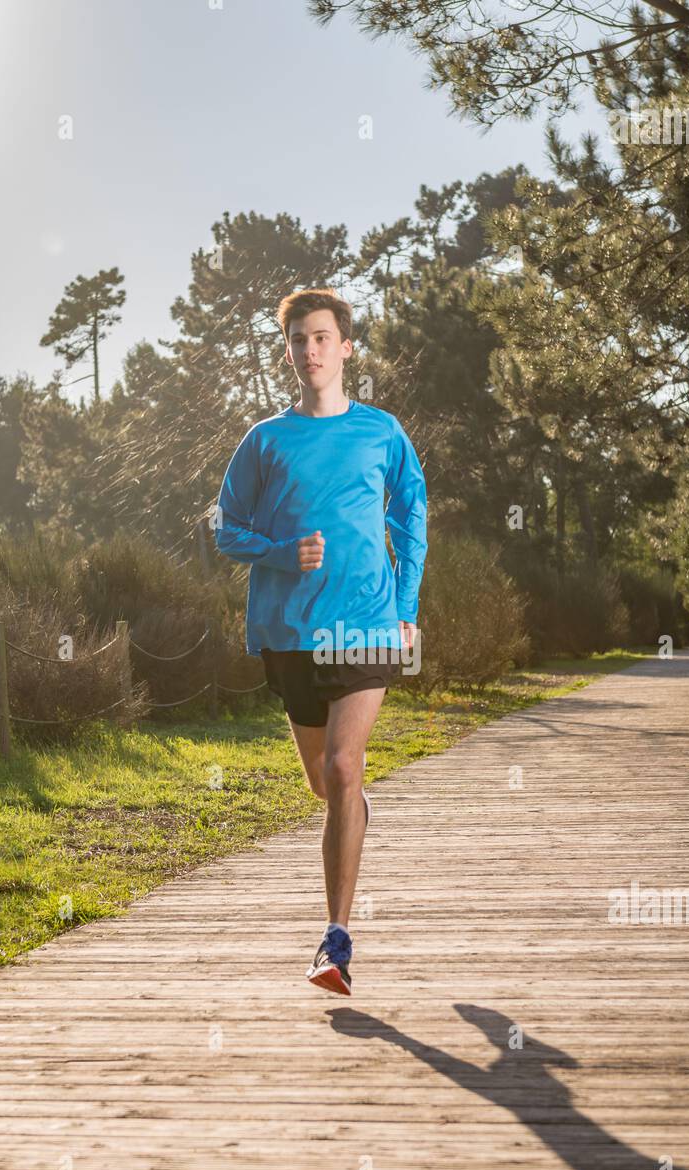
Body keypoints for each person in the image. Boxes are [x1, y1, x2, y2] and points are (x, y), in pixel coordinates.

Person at [213, 287, 428, 996]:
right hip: (291, 632)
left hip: (364, 626)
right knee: (325, 784)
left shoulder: (381, 432)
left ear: (345, 347)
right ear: (288, 351)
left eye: (322, 337)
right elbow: (226, 528)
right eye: (299, 339)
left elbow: (410, 518)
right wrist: (279, 550)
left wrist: (403, 607)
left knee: (341, 768)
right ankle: (353, 814)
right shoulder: (265, 439)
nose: (310, 350)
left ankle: (335, 939)